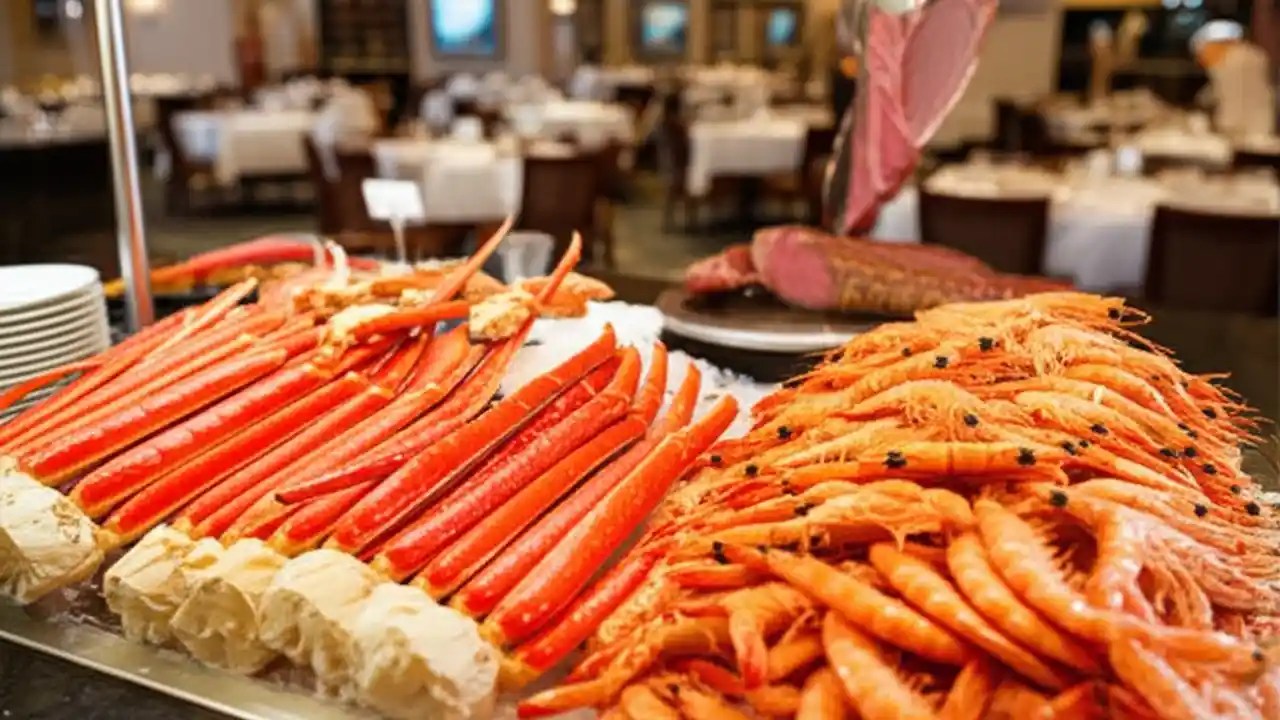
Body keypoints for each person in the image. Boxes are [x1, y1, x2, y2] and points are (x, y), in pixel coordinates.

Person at [1192, 19, 1275, 138]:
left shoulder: (1229, 60)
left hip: (1236, 128)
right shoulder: (1257, 55)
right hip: (1262, 127)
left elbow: (1216, 94)